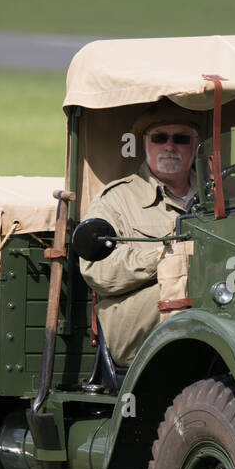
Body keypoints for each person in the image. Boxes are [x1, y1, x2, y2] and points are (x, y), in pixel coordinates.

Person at [79, 100, 202, 365]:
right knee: (191, 288)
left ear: (195, 146)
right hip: (132, 322)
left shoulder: (216, 198)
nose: (170, 146)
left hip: (212, 307)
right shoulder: (117, 199)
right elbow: (97, 271)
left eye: (181, 139)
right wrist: (165, 257)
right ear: (145, 143)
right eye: (160, 138)